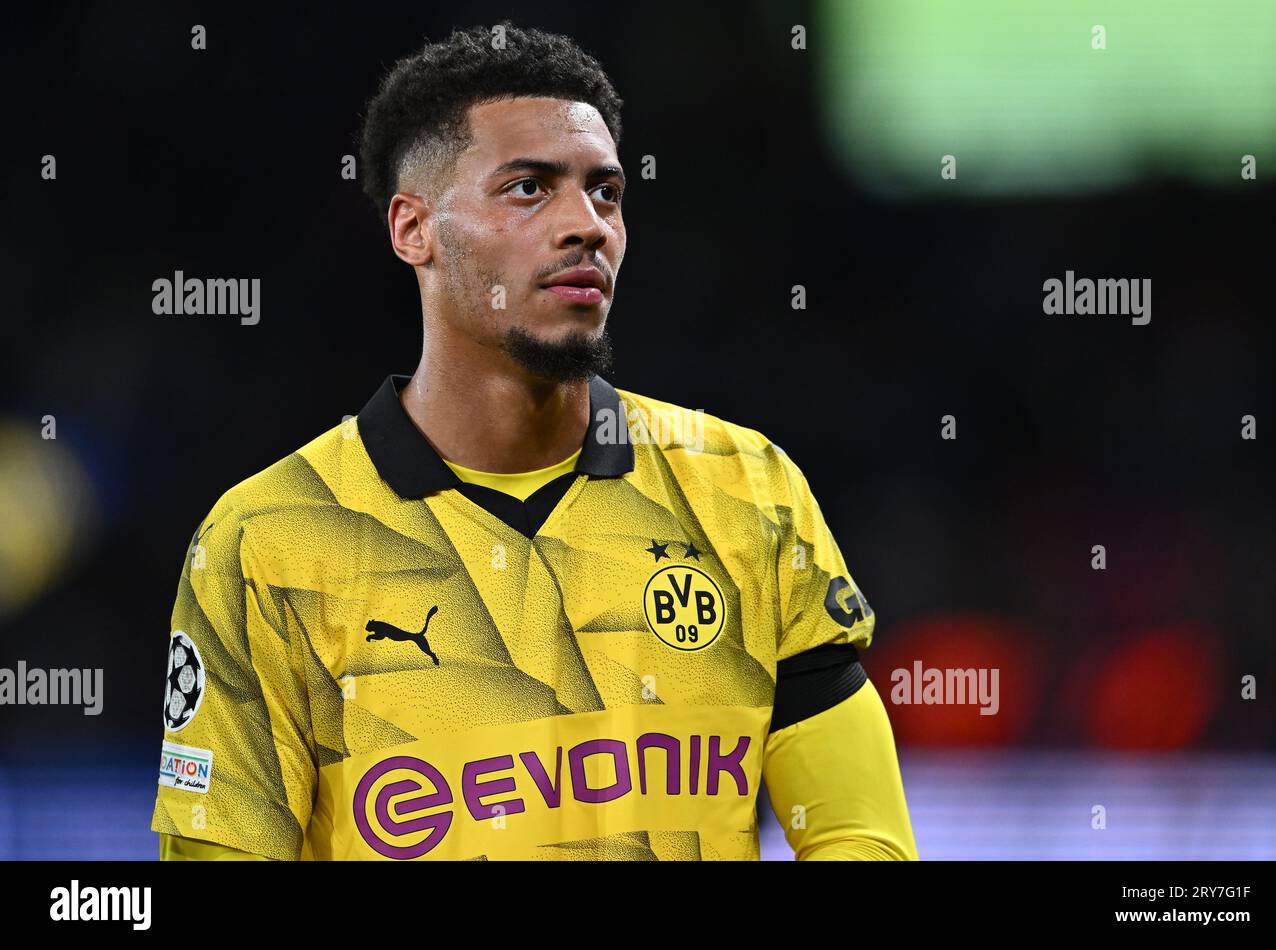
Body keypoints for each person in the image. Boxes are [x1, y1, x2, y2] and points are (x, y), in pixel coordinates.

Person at [152, 20, 917, 861]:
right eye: (528, 188)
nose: (587, 223)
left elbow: (858, 837)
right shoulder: (268, 542)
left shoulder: (748, 489)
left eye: (606, 192)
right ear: (415, 230)